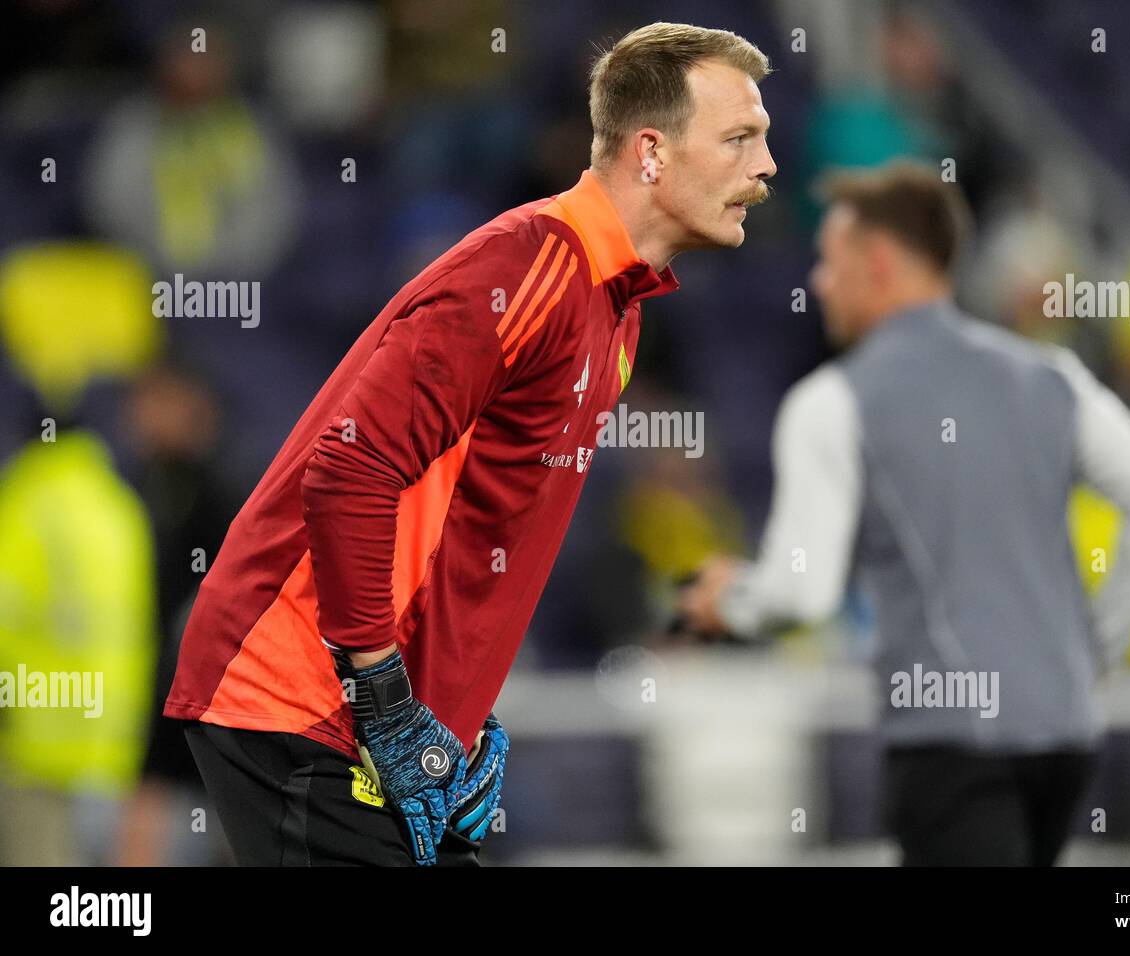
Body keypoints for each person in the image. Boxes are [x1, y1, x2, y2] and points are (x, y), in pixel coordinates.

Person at [164, 21, 776, 867]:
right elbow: (348, 471)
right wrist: (385, 698)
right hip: (300, 695)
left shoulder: (615, 311)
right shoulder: (529, 267)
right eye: (740, 138)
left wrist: (455, 708)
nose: (768, 166)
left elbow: (467, 528)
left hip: (371, 710)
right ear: (650, 152)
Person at [678, 163, 1130, 866]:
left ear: (880, 265)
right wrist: (1095, 652)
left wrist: (730, 601)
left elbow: (805, 591)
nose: (819, 283)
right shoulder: (1051, 377)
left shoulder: (832, 402)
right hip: (1065, 735)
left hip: (953, 743)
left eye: (831, 262)